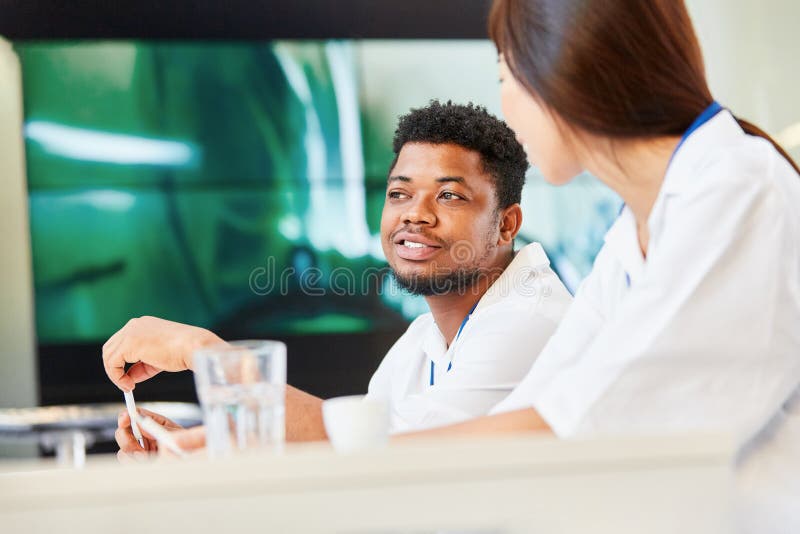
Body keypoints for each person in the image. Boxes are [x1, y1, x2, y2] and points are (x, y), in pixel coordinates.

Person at [402, 1, 800, 530]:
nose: (505, 107)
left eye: (505, 76)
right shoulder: (632, 233)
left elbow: (578, 431)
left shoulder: (739, 193)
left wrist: (355, 468)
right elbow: (543, 402)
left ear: (566, 67)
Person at [106, 101, 573, 456]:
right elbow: (347, 458)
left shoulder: (527, 320)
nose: (414, 214)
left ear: (507, 225)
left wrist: (199, 352)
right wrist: (191, 453)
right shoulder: (424, 338)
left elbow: (393, 460)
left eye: (449, 196)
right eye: (398, 193)